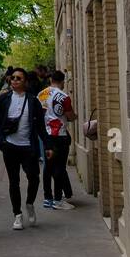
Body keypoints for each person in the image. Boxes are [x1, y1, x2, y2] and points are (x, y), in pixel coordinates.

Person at [0, 67, 50, 229]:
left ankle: (29, 204)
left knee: (34, 177)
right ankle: (17, 214)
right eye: (13, 78)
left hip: (28, 147)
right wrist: (1, 138)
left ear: (25, 82)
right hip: (9, 146)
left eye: (18, 78)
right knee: (14, 181)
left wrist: (48, 145)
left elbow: (40, 126)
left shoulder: (33, 101)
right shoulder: (3, 100)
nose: (14, 80)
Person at [39, 70, 77, 209]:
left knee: (48, 167)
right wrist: (74, 116)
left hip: (46, 134)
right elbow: (70, 115)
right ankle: (58, 200)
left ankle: (47, 198)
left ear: (50, 80)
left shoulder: (41, 95)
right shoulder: (64, 96)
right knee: (60, 167)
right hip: (59, 134)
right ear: (62, 81)